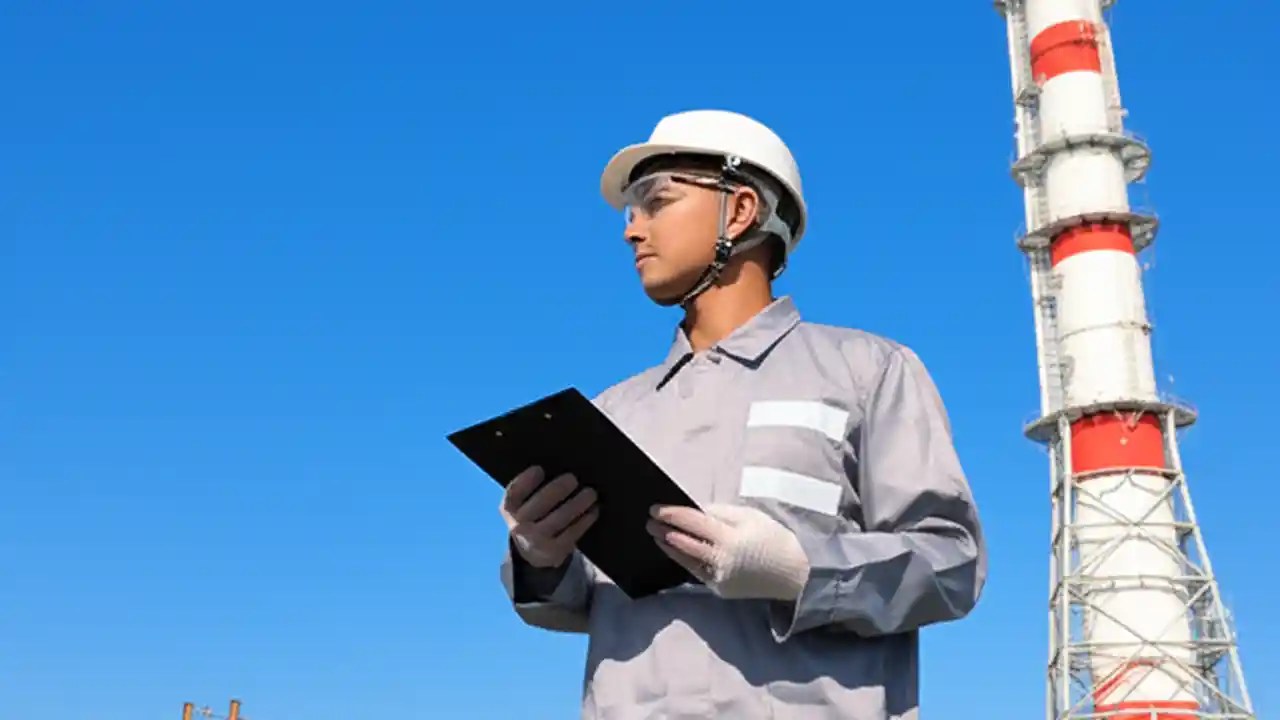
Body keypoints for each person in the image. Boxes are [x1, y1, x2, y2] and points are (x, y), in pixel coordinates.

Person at [497, 109, 987, 719]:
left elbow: (952, 565)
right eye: (632, 210)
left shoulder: (868, 370)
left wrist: (799, 571)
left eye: (657, 201)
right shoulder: (612, 412)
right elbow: (579, 603)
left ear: (741, 209)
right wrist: (541, 559)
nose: (632, 230)